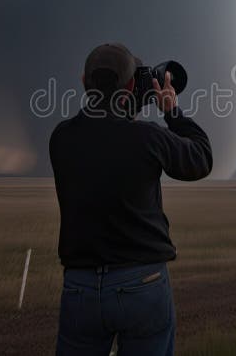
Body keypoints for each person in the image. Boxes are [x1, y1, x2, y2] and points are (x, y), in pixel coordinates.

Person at [49, 42, 213, 356]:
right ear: (130, 87)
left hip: (80, 284)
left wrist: (126, 102)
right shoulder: (147, 138)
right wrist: (171, 111)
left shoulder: (61, 138)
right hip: (142, 281)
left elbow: (103, 132)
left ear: (84, 82)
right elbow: (201, 159)